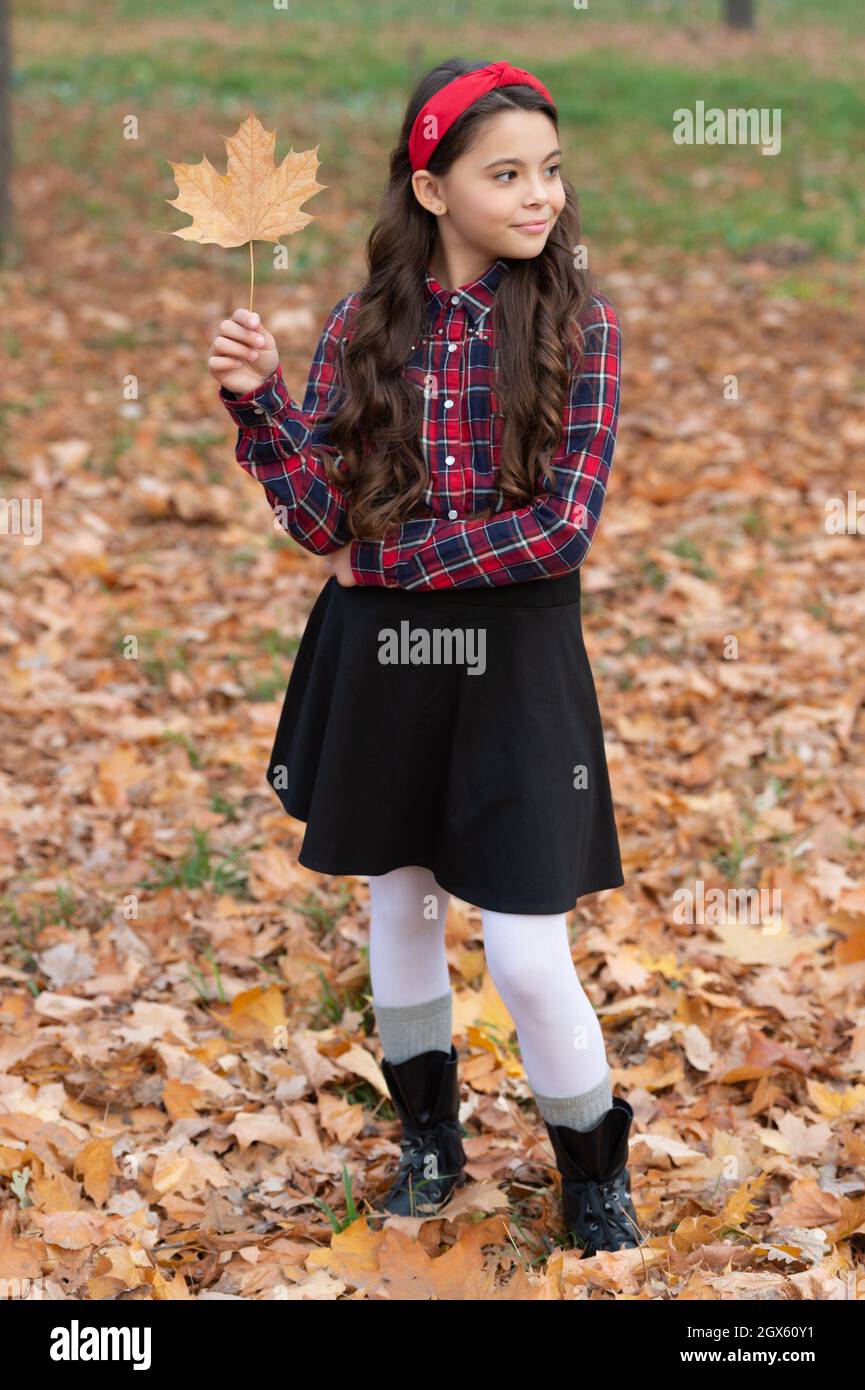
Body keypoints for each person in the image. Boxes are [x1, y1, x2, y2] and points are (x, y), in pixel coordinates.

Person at [207, 57, 641, 1257]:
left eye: (550, 170)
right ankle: (428, 1137)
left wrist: (390, 565)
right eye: (505, 173)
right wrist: (260, 409)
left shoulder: (578, 325)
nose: (540, 195)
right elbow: (321, 526)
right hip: (386, 657)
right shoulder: (363, 322)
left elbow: (560, 528)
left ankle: (593, 1165)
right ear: (433, 187)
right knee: (397, 902)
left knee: (523, 943)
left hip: (516, 668)